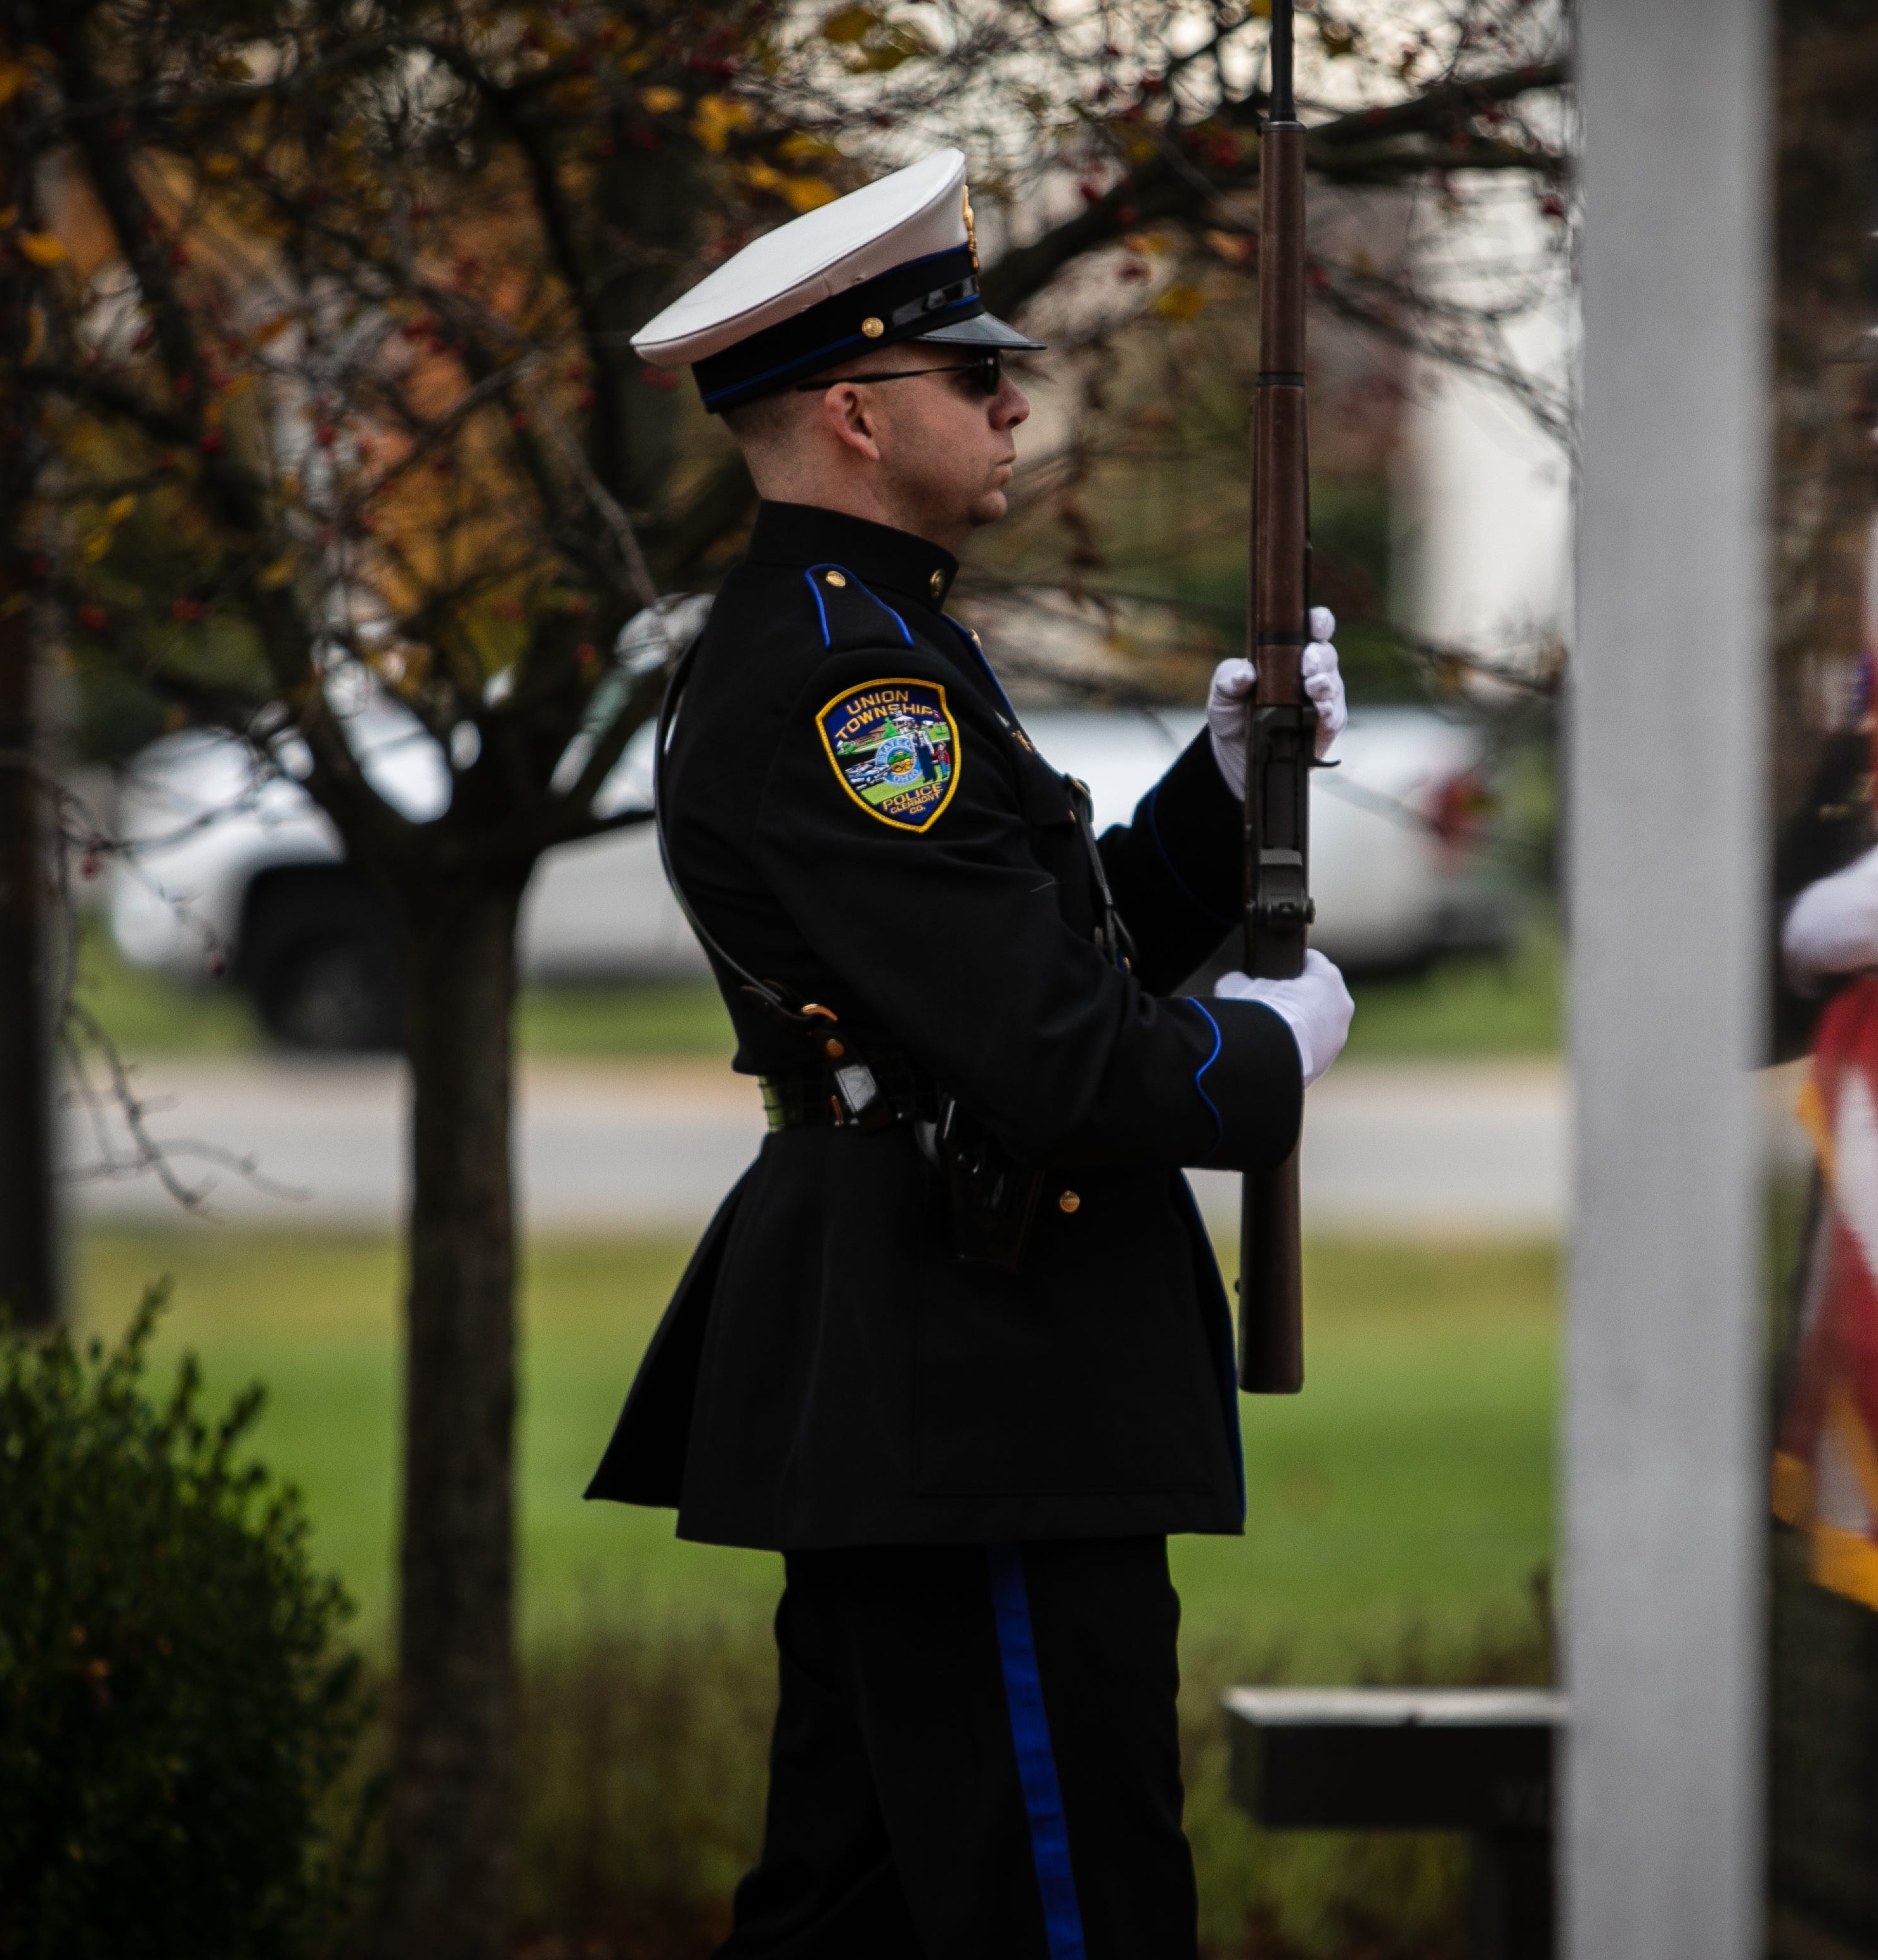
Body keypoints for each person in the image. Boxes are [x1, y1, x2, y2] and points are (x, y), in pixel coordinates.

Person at [588, 150, 1356, 1958]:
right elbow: (1047, 1048)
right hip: (981, 1363)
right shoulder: (858, 689)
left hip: (940, 1351)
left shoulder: (875, 640)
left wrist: (1222, 791)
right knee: (1061, 1900)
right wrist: (1261, 1061)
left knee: (852, 1907)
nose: (1017, 402)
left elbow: (1017, 941)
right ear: (855, 415)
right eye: (975, 376)